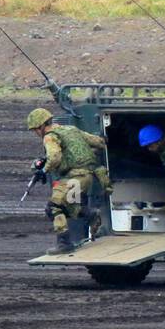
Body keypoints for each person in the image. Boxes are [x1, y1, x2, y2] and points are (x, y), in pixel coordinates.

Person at [27, 108, 110, 255]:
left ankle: (64, 243)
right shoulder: (71, 129)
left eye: (35, 130)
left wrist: (43, 171)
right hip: (88, 177)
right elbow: (99, 142)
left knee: (54, 207)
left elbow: (55, 157)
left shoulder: (50, 137)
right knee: (71, 208)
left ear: (41, 126)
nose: (36, 133)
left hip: (74, 179)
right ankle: (91, 214)